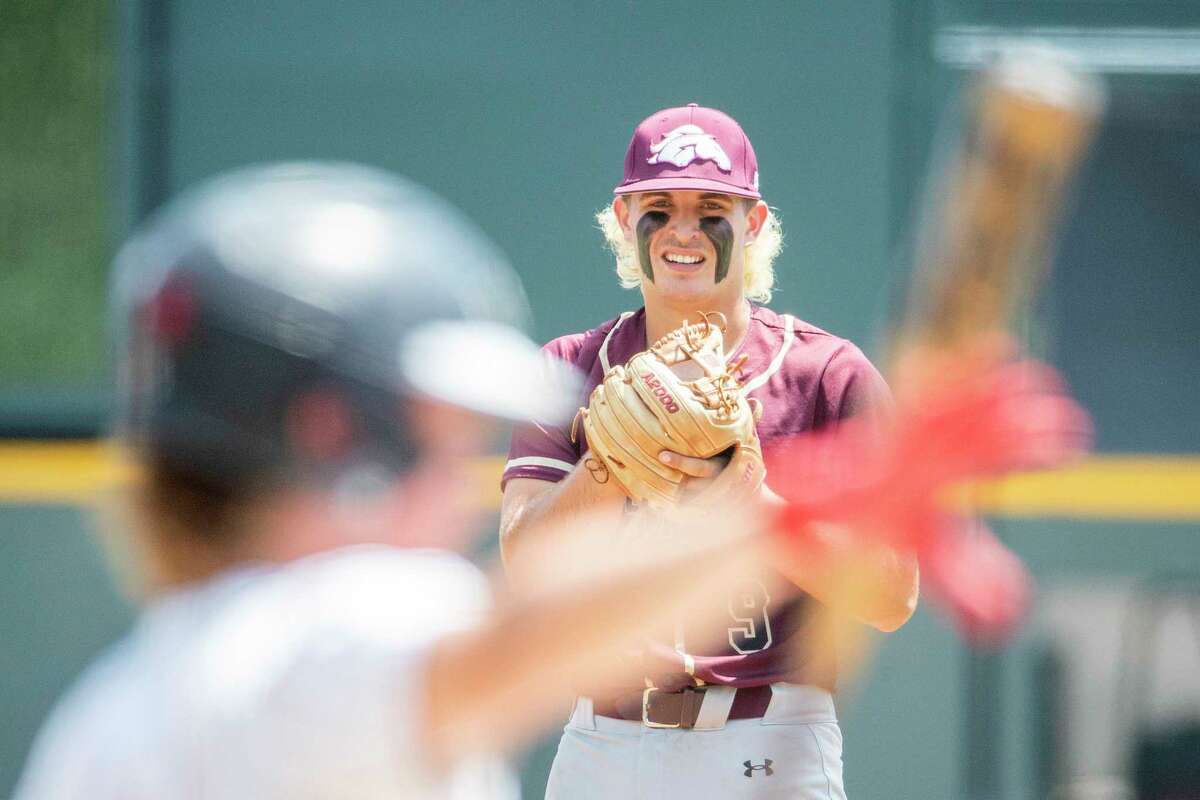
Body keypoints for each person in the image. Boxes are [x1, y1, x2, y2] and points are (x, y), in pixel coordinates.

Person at [12, 162, 776, 799]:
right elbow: (515, 638)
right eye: (446, 444)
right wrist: (816, 507)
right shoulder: (294, 645)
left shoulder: (118, 713)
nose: (459, 495)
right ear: (333, 435)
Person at [499, 104, 921, 799]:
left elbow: (891, 593)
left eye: (710, 207)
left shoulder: (826, 375)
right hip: (609, 738)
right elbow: (526, 568)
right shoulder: (572, 368)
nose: (683, 230)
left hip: (771, 735)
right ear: (624, 219)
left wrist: (752, 502)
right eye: (658, 207)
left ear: (753, 224)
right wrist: (610, 461)